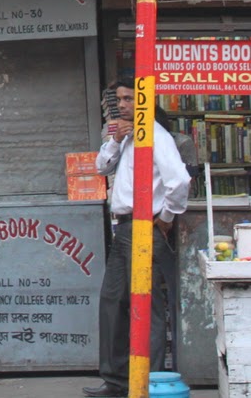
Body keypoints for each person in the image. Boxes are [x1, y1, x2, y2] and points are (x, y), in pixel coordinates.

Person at [82, 76, 191, 398]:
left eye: (130, 99)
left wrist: (167, 217)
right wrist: (115, 139)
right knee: (113, 302)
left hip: (145, 226)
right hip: (124, 227)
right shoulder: (126, 136)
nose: (124, 105)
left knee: (148, 307)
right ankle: (116, 380)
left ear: (145, 101)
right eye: (121, 99)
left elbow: (179, 181)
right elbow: (101, 166)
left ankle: (151, 380)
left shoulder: (155, 134)